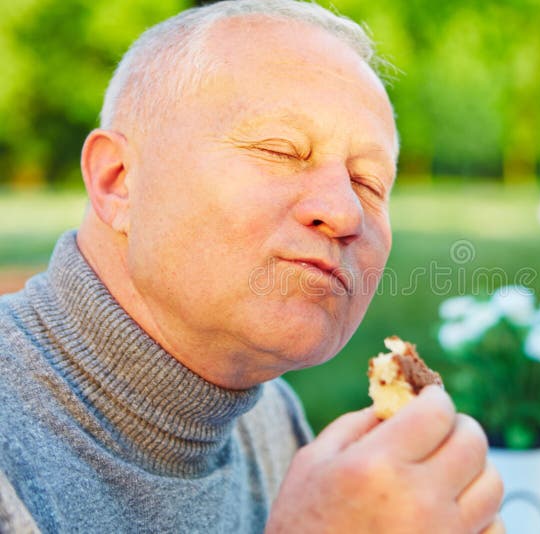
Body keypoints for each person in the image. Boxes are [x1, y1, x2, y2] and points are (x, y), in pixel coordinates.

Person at [0, 1, 504, 532]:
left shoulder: (270, 420)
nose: (344, 212)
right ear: (118, 180)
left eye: (369, 184)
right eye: (282, 150)